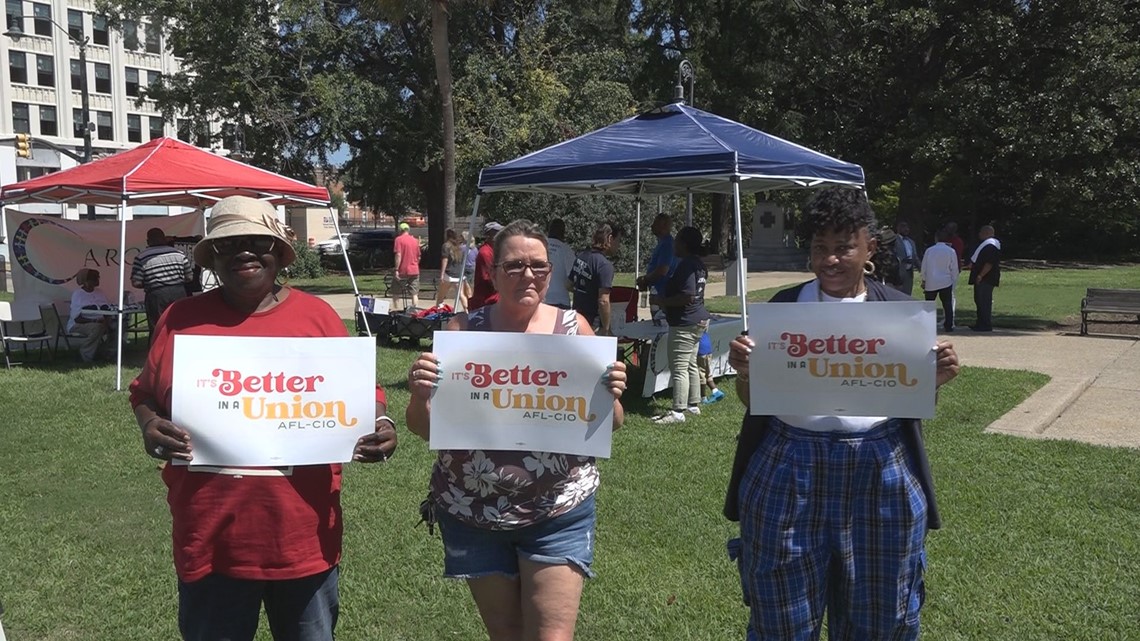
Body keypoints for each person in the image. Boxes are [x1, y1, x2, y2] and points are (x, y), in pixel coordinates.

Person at [128, 196, 397, 641]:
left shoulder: (318, 319)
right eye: (229, 244)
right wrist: (148, 423)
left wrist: (380, 425)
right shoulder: (182, 318)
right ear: (213, 256)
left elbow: (366, 395)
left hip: (301, 536)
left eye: (258, 241)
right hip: (211, 534)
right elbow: (145, 392)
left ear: (279, 252)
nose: (244, 252)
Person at [724, 187, 960, 641]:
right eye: (820, 248)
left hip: (880, 469)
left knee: (881, 615)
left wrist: (934, 380)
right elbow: (753, 401)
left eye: (843, 247)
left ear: (869, 247)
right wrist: (747, 372)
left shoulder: (899, 311)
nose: (830, 259)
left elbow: (911, 400)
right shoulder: (783, 310)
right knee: (781, 618)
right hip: (788, 467)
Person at [405, 219, 627, 641]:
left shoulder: (574, 328)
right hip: (473, 512)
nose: (529, 275)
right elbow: (423, 428)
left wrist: (612, 395)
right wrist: (419, 396)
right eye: (514, 265)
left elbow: (610, 424)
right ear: (491, 272)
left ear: (550, 272)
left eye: (539, 266)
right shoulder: (463, 332)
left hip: (558, 508)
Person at [650, 226, 710, 424]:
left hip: (685, 322)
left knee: (679, 367)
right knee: (691, 363)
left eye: (677, 241)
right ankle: (693, 404)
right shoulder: (699, 264)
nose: (674, 244)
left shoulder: (686, 266)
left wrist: (662, 301)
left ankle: (677, 411)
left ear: (684, 244)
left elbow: (688, 296)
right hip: (698, 320)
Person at [131, 227, 193, 341]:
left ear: (148, 241)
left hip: (156, 294)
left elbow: (136, 282)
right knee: (180, 324)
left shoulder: (142, 257)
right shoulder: (179, 254)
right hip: (179, 292)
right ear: (164, 239)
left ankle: (158, 354)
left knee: (157, 327)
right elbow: (189, 277)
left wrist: (150, 282)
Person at [570, 223, 622, 336]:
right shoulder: (604, 265)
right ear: (610, 238)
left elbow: (569, 284)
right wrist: (606, 328)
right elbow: (603, 300)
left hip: (576, 319)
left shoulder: (581, 256)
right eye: (617, 240)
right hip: (592, 325)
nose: (618, 245)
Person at [67, 268, 113, 363]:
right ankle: (85, 354)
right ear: (86, 281)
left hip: (100, 322)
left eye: (98, 278)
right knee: (98, 328)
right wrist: (95, 321)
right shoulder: (78, 294)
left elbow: (106, 309)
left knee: (117, 326)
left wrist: (107, 321)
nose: (97, 280)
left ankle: (109, 352)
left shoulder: (100, 292)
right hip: (79, 324)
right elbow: (77, 318)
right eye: (94, 278)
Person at [635, 213, 677, 314]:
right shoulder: (662, 243)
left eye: (655, 223)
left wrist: (645, 279)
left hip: (663, 293)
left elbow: (663, 270)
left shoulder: (667, 244)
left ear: (663, 226)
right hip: (657, 291)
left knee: (660, 322)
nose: (652, 226)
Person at [921, 229, 959, 333]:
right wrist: (953, 279)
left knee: (929, 304)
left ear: (936, 238)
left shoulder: (929, 250)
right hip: (945, 281)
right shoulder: (951, 251)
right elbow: (954, 268)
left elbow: (924, 266)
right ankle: (949, 325)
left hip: (931, 281)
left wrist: (924, 279)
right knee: (947, 304)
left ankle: (928, 325)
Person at [967, 225, 1001, 332]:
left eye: (981, 232)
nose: (979, 234)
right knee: (979, 300)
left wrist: (980, 275)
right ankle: (980, 322)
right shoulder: (986, 245)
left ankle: (985, 324)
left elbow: (989, 263)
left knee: (984, 300)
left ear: (986, 233)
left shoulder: (991, 246)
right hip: (983, 278)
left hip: (986, 278)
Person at [469, 221, 503, 310]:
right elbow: (488, 278)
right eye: (497, 233)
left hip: (495, 300)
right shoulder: (485, 252)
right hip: (486, 302)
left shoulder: (495, 251)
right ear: (489, 235)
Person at [544, 218, 575, 309]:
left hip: (542, 299)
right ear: (563, 232)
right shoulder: (566, 250)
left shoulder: (541, 245)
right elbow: (571, 279)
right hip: (561, 300)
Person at [393, 221, 422, 308]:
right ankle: (415, 311)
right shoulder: (415, 240)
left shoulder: (398, 239)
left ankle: (396, 310)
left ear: (400, 230)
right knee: (414, 293)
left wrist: (396, 269)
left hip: (403, 270)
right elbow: (419, 257)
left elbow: (398, 255)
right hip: (414, 270)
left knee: (396, 292)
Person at [436, 228, 466, 310]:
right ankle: (467, 311)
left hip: (449, 274)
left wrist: (441, 274)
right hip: (459, 274)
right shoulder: (459, 247)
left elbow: (445, 260)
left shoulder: (446, 246)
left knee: (441, 296)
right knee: (461, 295)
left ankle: (439, 310)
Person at [893, 221, 919, 296]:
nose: (906, 229)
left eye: (907, 228)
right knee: (898, 293)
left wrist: (921, 268)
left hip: (909, 271)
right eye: (903, 227)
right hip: (899, 270)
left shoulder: (911, 242)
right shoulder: (895, 240)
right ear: (898, 228)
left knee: (907, 293)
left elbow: (915, 256)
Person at [698, 330, 724, 404]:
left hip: (700, 352)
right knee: (708, 373)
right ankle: (715, 391)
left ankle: (703, 397)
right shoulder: (703, 326)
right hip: (708, 350)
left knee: (701, 374)